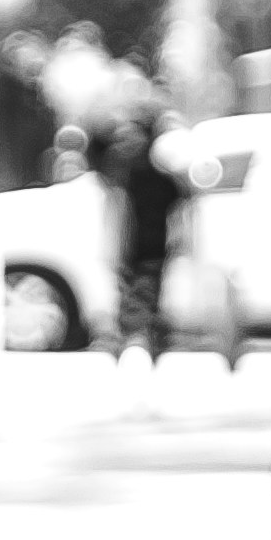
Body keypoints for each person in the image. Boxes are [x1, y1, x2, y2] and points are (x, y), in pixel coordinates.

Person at [110, 96, 188, 370]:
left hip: (148, 249)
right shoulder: (139, 174)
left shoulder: (142, 175)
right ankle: (140, 342)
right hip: (144, 248)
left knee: (142, 296)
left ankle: (138, 342)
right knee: (143, 296)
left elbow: (178, 213)